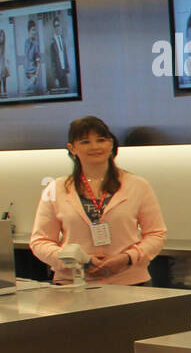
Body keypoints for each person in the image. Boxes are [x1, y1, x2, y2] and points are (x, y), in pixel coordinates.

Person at [30, 116, 167, 285]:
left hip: (130, 282)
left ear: (111, 145)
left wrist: (127, 258)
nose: (95, 147)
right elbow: (40, 241)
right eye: (85, 142)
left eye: (101, 140)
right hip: (73, 284)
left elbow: (156, 234)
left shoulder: (138, 185)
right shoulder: (55, 189)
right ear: (72, 148)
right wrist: (73, 260)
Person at [46, 13, 71, 92]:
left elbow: (65, 56)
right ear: (54, 28)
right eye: (55, 26)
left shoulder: (62, 39)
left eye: (58, 25)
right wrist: (56, 77)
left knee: (67, 91)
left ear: (60, 26)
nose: (57, 28)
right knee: (62, 91)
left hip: (65, 72)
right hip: (59, 73)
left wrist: (67, 71)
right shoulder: (52, 44)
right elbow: (53, 63)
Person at [23, 19, 41, 94]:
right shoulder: (26, 42)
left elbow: (38, 62)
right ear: (29, 31)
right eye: (33, 30)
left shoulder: (36, 44)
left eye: (35, 30)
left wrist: (35, 76)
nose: (34, 32)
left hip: (33, 77)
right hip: (26, 76)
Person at [0, 29, 10, 97]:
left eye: (3, 36)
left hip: (3, 65)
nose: (2, 38)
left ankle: (5, 94)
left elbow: (7, 58)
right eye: (1, 36)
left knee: (4, 82)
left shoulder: (4, 46)